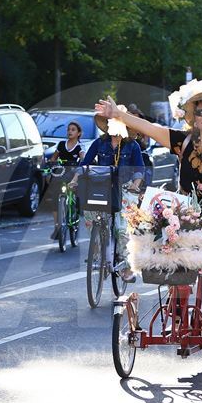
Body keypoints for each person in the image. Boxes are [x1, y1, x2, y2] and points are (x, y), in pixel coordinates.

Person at [95, 79, 202, 299]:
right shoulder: (183, 142)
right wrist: (118, 113)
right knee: (164, 244)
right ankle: (176, 309)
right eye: (200, 112)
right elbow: (149, 128)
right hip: (185, 214)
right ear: (193, 115)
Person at [75, 113, 145, 281]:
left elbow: (139, 169)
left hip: (125, 188)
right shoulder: (100, 143)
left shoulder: (132, 145)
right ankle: (97, 246)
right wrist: (74, 180)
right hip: (102, 185)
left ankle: (126, 265)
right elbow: (85, 164)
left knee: (122, 228)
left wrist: (136, 184)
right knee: (91, 214)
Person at [46, 120, 84, 240]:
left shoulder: (79, 146)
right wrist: (50, 165)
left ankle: (75, 214)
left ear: (78, 133)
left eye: (73, 130)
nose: (70, 132)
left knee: (77, 194)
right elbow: (53, 158)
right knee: (55, 196)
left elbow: (83, 158)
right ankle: (57, 226)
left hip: (73, 174)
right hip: (61, 173)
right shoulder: (61, 144)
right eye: (68, 129)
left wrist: (83, 163)